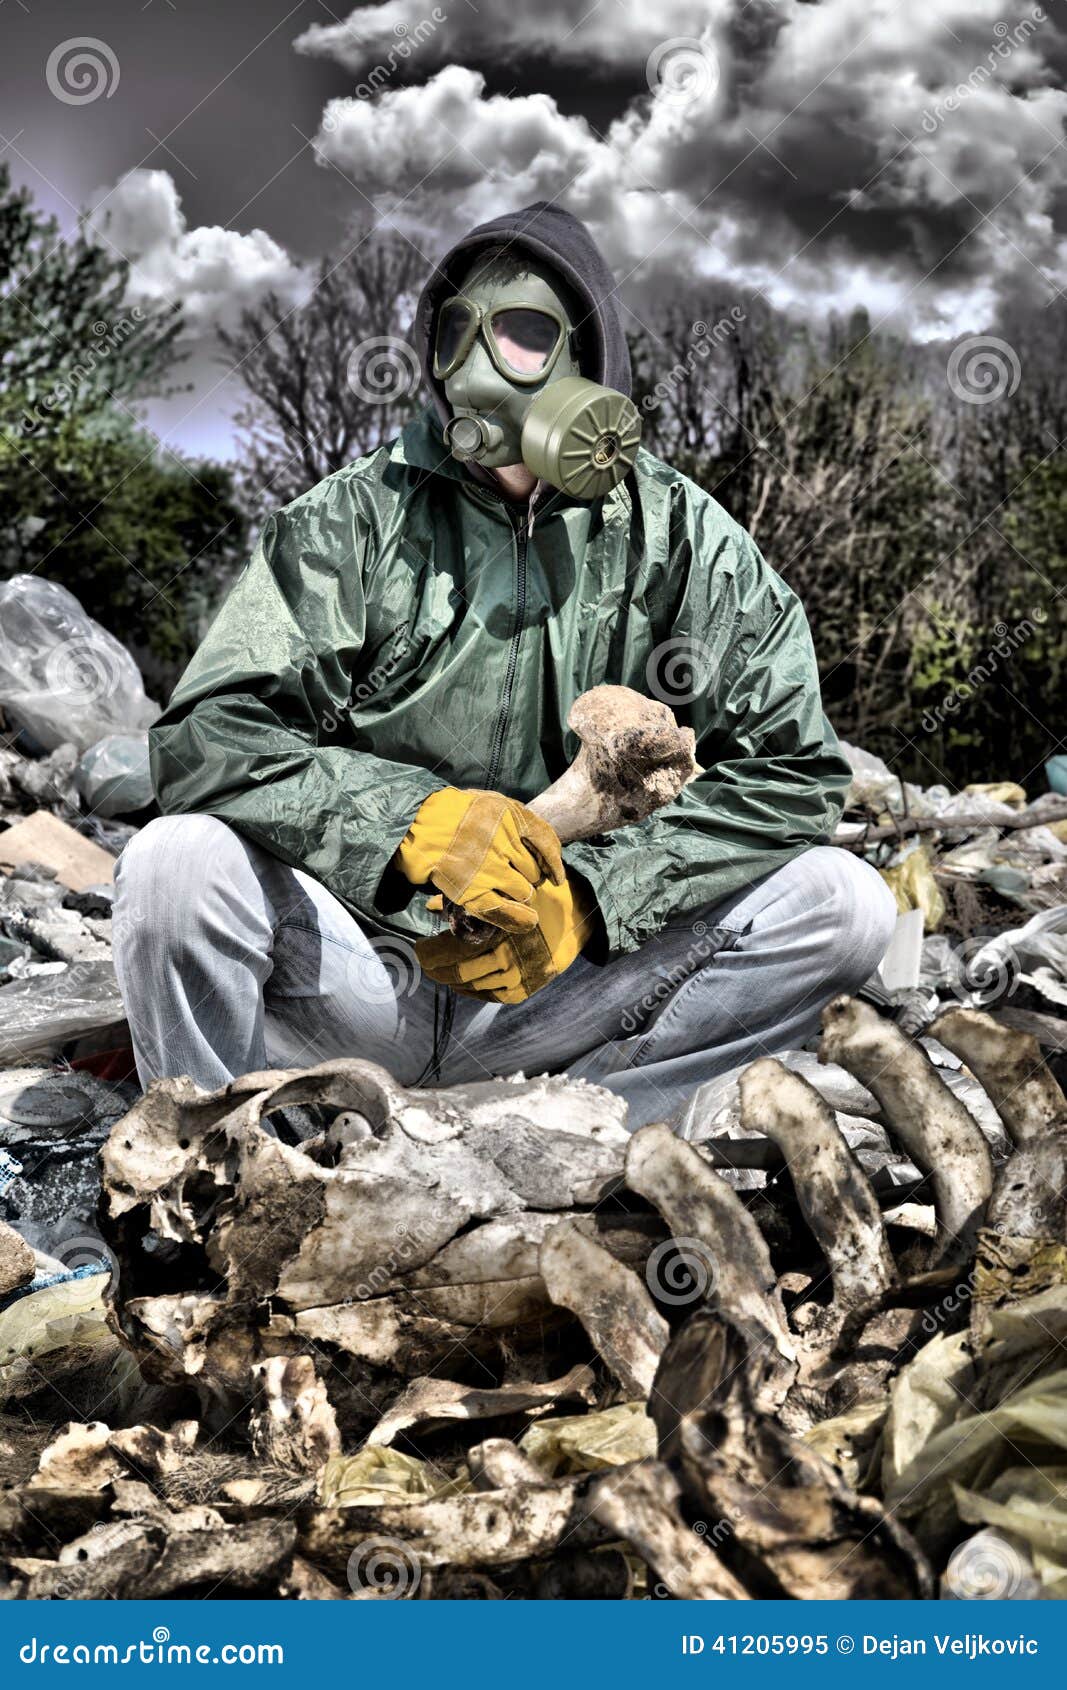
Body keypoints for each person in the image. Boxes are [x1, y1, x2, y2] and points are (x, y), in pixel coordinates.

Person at [113, 201, 896, 1133]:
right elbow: (209, 733)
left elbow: (793, 772)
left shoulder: (685, 540)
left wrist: (598, 900)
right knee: (172, 863)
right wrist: (404, 825)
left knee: (845, 904)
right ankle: (224, 1167)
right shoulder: (351, 522)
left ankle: (584, 1132)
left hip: (557, 997)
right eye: (455, 336)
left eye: (522, 334)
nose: (478, 370)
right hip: (361, 980)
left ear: (590, 358)